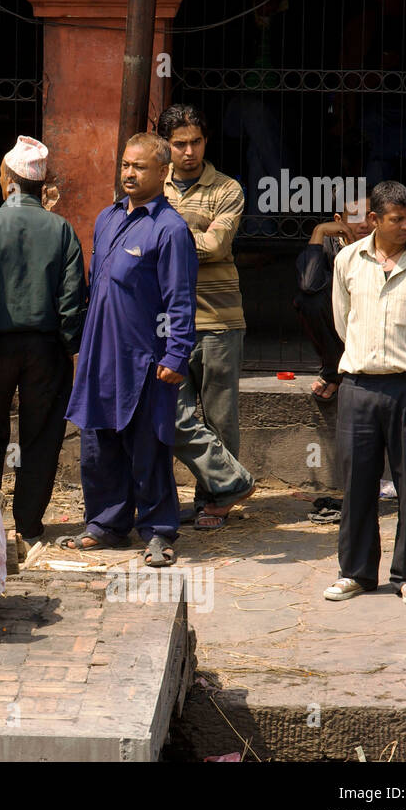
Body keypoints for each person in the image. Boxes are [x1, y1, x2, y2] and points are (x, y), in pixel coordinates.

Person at [324, 181, 406, 608]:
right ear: (374, 221)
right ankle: (356, 574)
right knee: (357, 485)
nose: (405, 226)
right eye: (396, 219)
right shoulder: (348, 260)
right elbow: (343, 324)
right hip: (359, 386)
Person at [65, 134, 197, 567]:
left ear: (163, 173)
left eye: (139, 167)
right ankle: (106, 524)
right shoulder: (107, 218)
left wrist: (176, 355)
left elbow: (180, 299)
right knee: (99, 442)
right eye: (125, 165)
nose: (129, 173)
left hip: (147, 360)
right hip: (101, 354)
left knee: (148, 446)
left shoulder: (171, 229)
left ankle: (158, 531)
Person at [0, 135, 85, 543]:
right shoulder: (61, 229)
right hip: (46, 350)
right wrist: (68, 345)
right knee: (41, 436)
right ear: (38, 185)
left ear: (9, 178)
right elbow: (73, 297)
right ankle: (27, 525)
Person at [156, 104, 255, 530]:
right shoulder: (148, 183)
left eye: (196, 141)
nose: (189, 151)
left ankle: (215, 501)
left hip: (220, 318)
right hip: (167, 323)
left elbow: (215, 248)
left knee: (219, 417)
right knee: (171, 416)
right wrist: (188, 233)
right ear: (166, 145)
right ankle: (224, 483)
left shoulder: (228, 188)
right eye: (179, 144)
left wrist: (165, 234)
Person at [295, 195, 373, 401]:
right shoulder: (328, 244)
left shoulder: (387, 244)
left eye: (370, 216)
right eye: (355, 216)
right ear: (339, 220)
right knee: (310, 301)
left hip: (377, 333)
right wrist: (318, 232)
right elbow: (308, 285)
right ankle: (334, 372)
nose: (364, 224)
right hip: (341, 331)